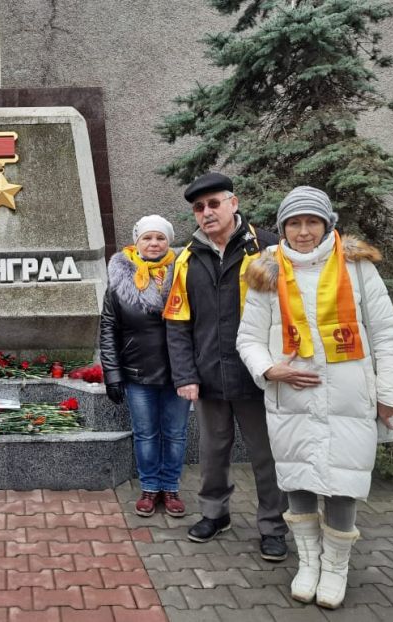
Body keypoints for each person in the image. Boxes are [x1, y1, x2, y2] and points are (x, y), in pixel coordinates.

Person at [237, 186, 393, 608]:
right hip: (290, 398)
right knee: (298, 479)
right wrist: (267, 368)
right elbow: (249, 338)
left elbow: (386, 332)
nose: (303, 231)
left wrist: (389, 393)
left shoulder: (356, 266)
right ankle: (308, 563)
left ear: (327, 224)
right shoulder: (267, 271)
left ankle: (335, 567)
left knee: (344, 483)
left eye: (312, 221)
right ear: (282, 228)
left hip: (350, 399)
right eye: (294, 223)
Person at [164, 172, 288, 561]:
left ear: (233, 203)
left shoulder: (267, 248)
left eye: (213, 203)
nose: (206, 212)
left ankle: (273, 525)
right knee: (213, 453)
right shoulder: (186, 258)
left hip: (258, 375)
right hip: (207, 376)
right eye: (199, 208)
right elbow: (177, 323)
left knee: (266, 454)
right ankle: (215, 515)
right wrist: (185, 375)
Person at [100, 215, 191, 517]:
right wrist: (112, 373)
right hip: (138, 372)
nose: (154, 243)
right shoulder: (119, 279)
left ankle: (171, 487)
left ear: (169, 242)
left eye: (161, 238)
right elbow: (109, 328)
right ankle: (150, 487)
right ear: (136, 242)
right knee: (146, 434)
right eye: (147, 238)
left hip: (179, 371)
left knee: (176, 433)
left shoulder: (185, 273)